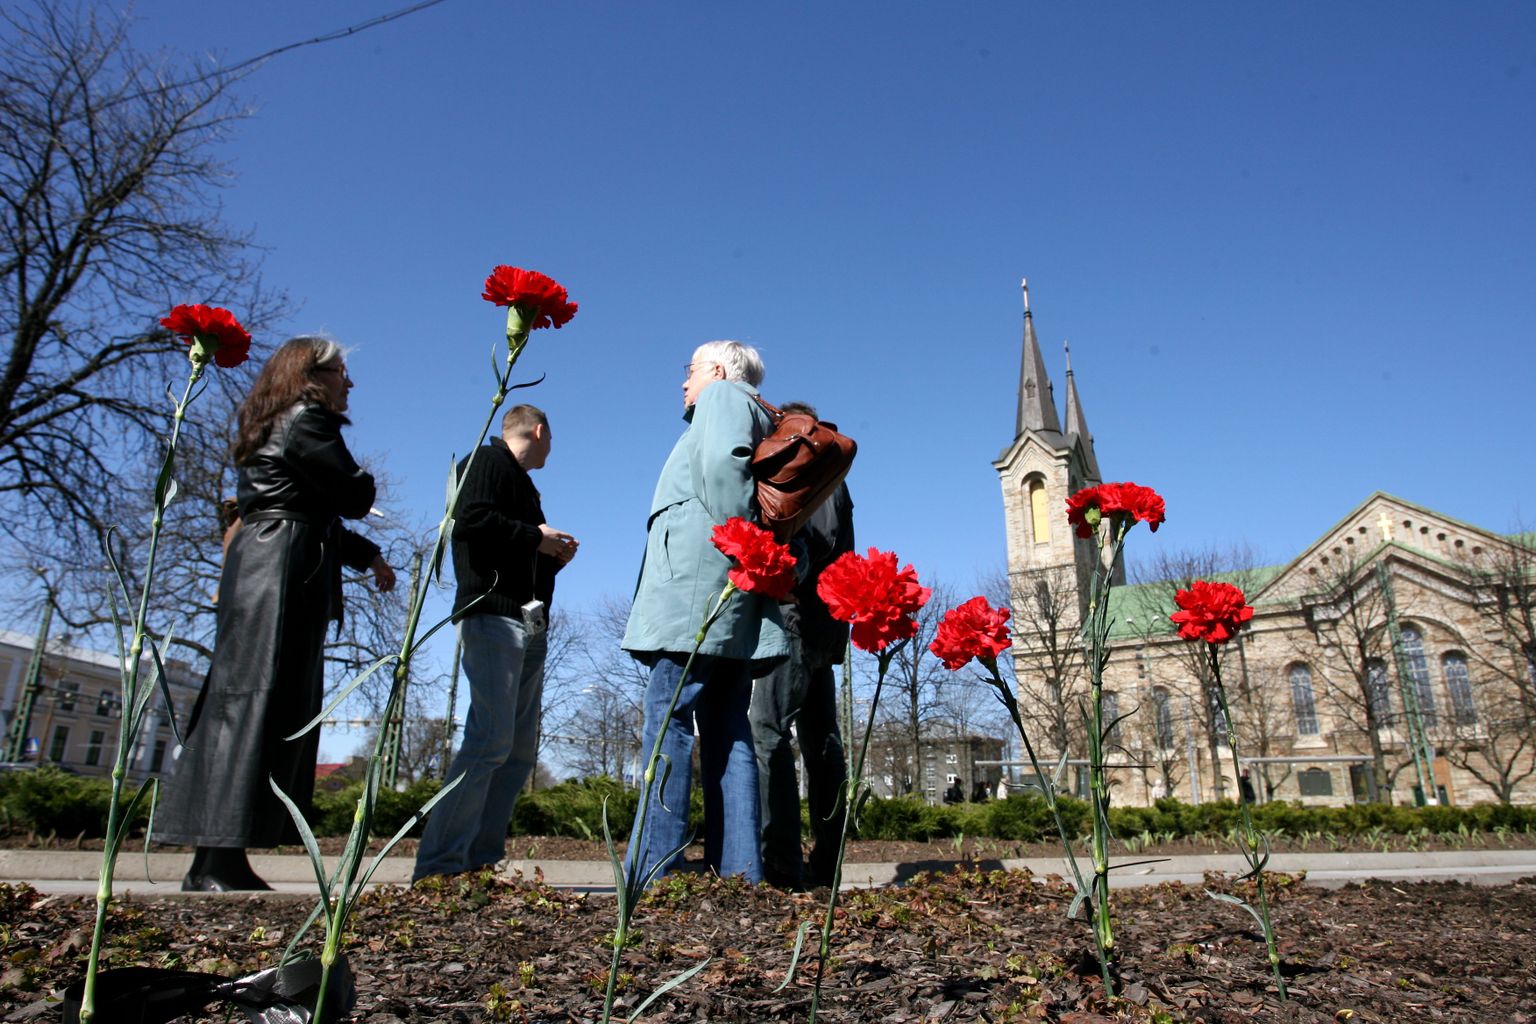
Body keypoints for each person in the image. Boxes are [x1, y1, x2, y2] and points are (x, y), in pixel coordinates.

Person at [158, 337, 396, 892]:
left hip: (270, 562)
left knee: (253, 701)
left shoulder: (276, 422)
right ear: (312, 375)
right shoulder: (307, 419)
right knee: (255, 702)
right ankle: (215, 859)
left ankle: (221, 855)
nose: (349, 383)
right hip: (279, 572)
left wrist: (367, 555)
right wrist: (362, 486)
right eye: (341, 371)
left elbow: (302, 504)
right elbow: (352, 494)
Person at [621, 340, 788, 885]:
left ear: (716, 370)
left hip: (699, 595)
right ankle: (740, 874)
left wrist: (739, 538)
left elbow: (722, 468)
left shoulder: (722, 398)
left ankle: (652, 873)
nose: (683, 382)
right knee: (727, 726)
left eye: (688, 370)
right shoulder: (757, 413)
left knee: (668, 717)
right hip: (731, 594)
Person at [413, 405, 577, 881]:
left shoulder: (523, 483)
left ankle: (480, 860)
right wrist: (535, 536)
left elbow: (514, 549)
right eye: (551, 439)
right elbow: (469, 521)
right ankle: (439, 867)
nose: (551, 449)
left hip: (527, 623)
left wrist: (551, 557)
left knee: (518, 749)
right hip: (492, 617)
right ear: (539, 430)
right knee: (489, 740)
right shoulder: (485, 462)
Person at [747, 417, 853, 889]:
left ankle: (782, 863)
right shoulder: (837, 480)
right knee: (822, 743)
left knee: (768, 732)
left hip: (792, 618)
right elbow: (842, 554)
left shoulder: (793, 466)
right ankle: (828, 863)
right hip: (826, 623)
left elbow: (797, 547)